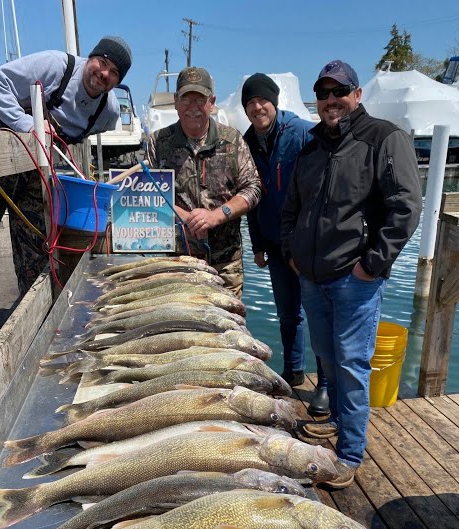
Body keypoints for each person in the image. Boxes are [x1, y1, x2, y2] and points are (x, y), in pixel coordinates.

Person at [280, 59, 422, 487]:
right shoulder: (310, 146)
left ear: (357, 95)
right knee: (327, 357)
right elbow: (292, 208)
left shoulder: (383, 137)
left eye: (338, 92)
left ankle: (350, 452)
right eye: (322, 94)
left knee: (353, 364)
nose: (330, 101)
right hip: (311, 276)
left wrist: (372, 264)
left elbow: (406, 207)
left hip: (354, 278)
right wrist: (291, 250)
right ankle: (339, 422)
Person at [0, 36, 133, 308]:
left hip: (38, 165)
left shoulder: (107, 112)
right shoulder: (56, 67)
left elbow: (80, 132)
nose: (104, 73)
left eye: (114, 72)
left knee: (36, 239)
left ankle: (34, 311)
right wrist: (28, 123)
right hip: (3, 145)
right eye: (102, 62)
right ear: (91, 57)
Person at [239, 73, 329, 415]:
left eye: (262, 100)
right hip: (274, 244)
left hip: (307, 244)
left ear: (274, 102)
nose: (257, 107)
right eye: (250, 103)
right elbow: (251, 195)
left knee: (317, 314)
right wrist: (258, 242)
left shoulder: (303, 132)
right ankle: (292, 372)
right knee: (287, 313)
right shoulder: (247, 142)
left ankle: (324, 383)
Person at [145, 66, 262, 298]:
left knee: (230, 328)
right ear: (176, 101)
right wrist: (185, 217)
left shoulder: (233, 140)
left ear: (212, 102)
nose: (193, 107)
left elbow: (253, 188)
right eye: (186, 99)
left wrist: (216, 215)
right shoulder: (158, 143)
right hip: (177, 262)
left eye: (200, 99)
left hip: (225, 264)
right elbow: (146, 195)